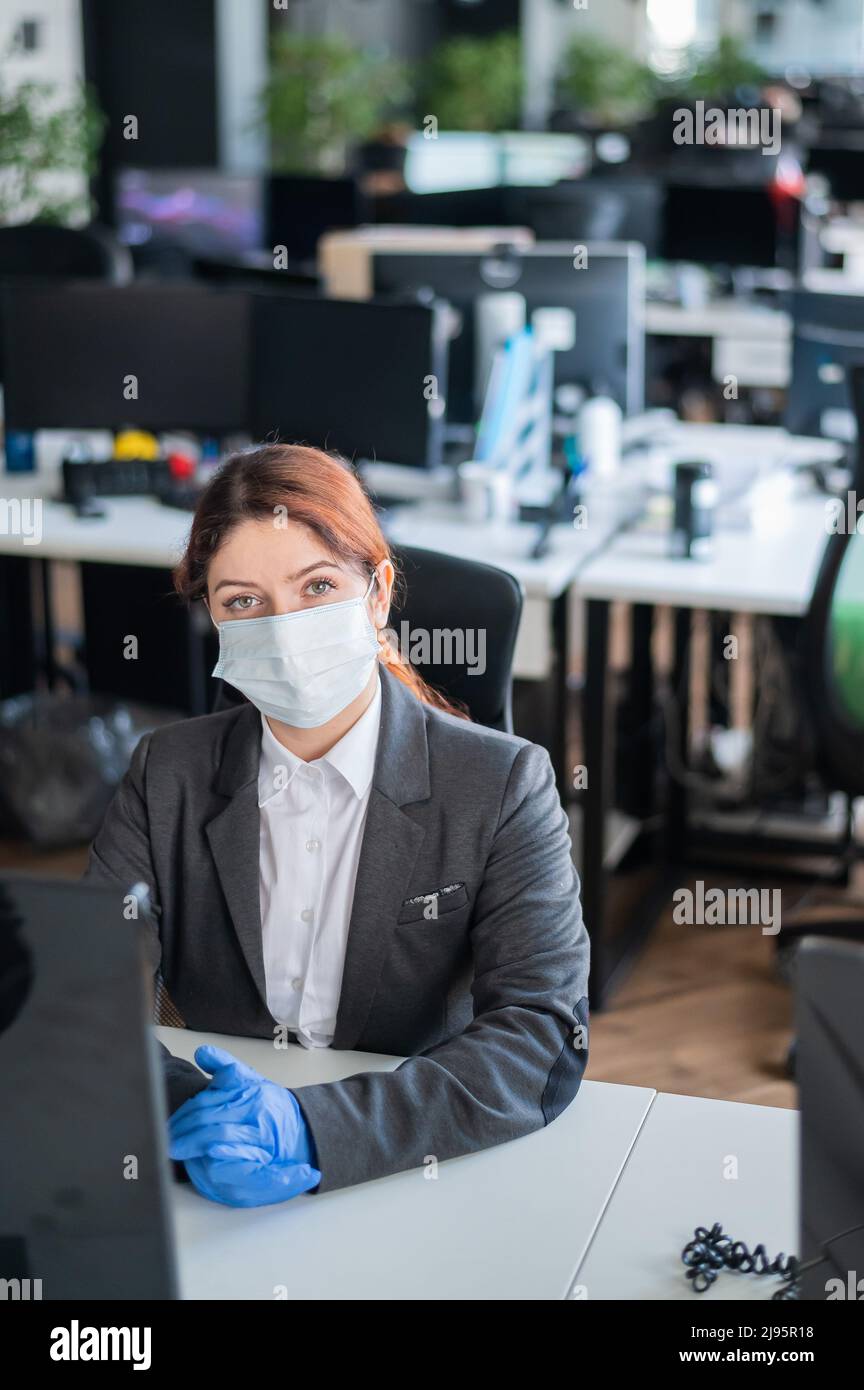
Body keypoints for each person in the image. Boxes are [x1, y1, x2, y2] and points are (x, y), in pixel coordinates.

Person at [84, 443, 590, 1205]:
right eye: (244, 601)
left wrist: (309, 1127)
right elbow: (82, 994)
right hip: (215, 1176)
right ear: (214, 619)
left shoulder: (505, 784)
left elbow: (543, 1037)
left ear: (377, 595)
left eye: (318, 586)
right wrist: (198, 1112)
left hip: (416, 1161)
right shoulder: (167, 774)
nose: (284, 628)